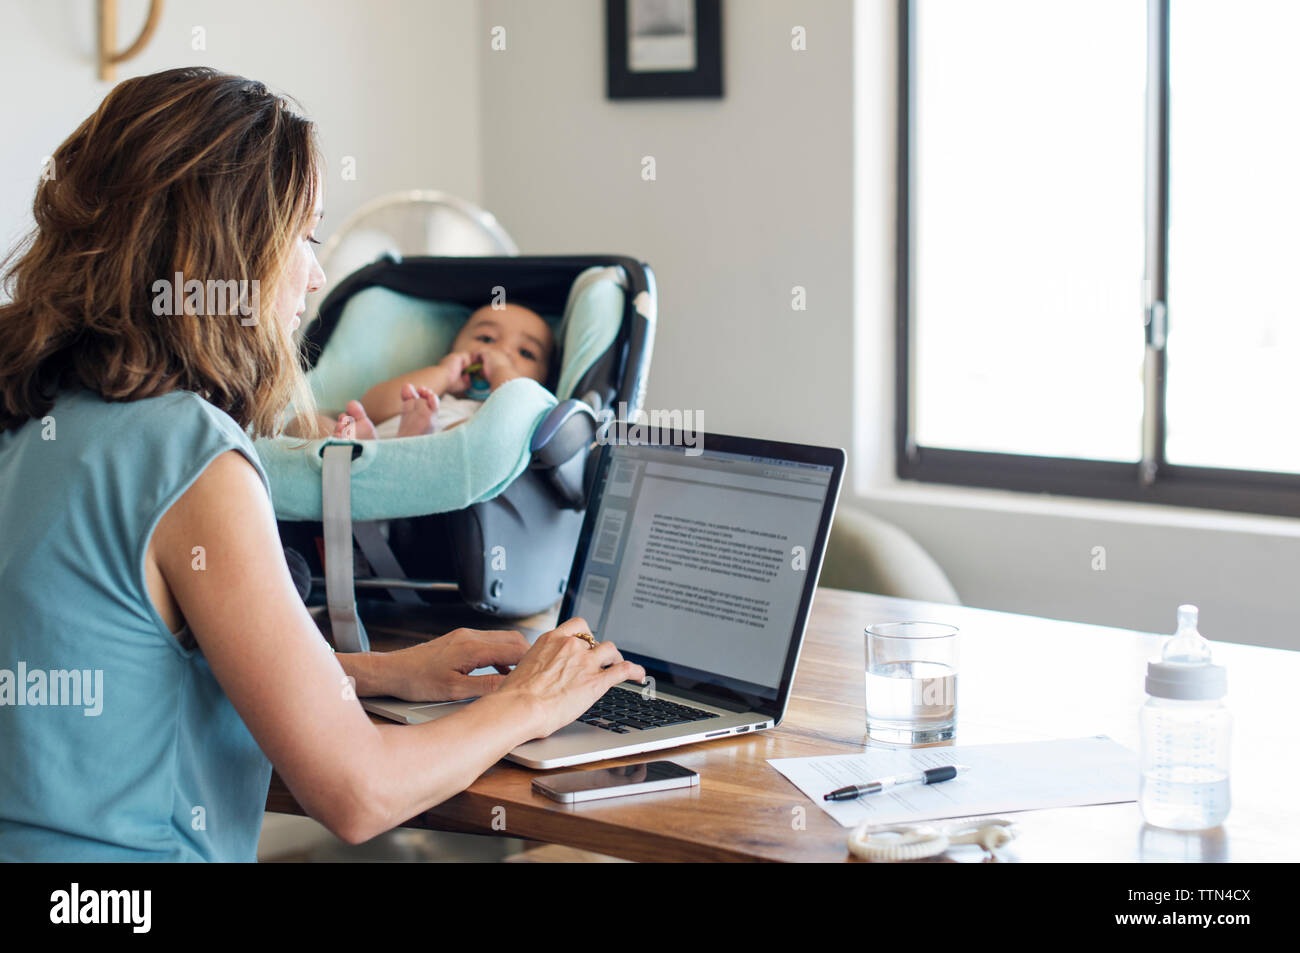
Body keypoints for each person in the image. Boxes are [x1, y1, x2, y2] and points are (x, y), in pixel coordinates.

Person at [0, 66, 642, 861]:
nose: (314, 273)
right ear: (225, 253)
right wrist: (530, 701)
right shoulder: (190, 455)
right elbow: (358, 791)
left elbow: (122, 657)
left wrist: (381, 672)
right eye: (302, 237)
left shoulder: (32, 414)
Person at [296, 301, 555, 440]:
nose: (501, 352)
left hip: (440, 457)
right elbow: (372, 407)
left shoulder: (521, 412)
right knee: (307, 424)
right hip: (374, 444)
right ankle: (361, 449)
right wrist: (444, 374)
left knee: (469, 431)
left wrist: (501, 370)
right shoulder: (433, 391)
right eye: (486, 339)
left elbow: (518, 409)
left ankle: (415, 443)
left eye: (526, 353)